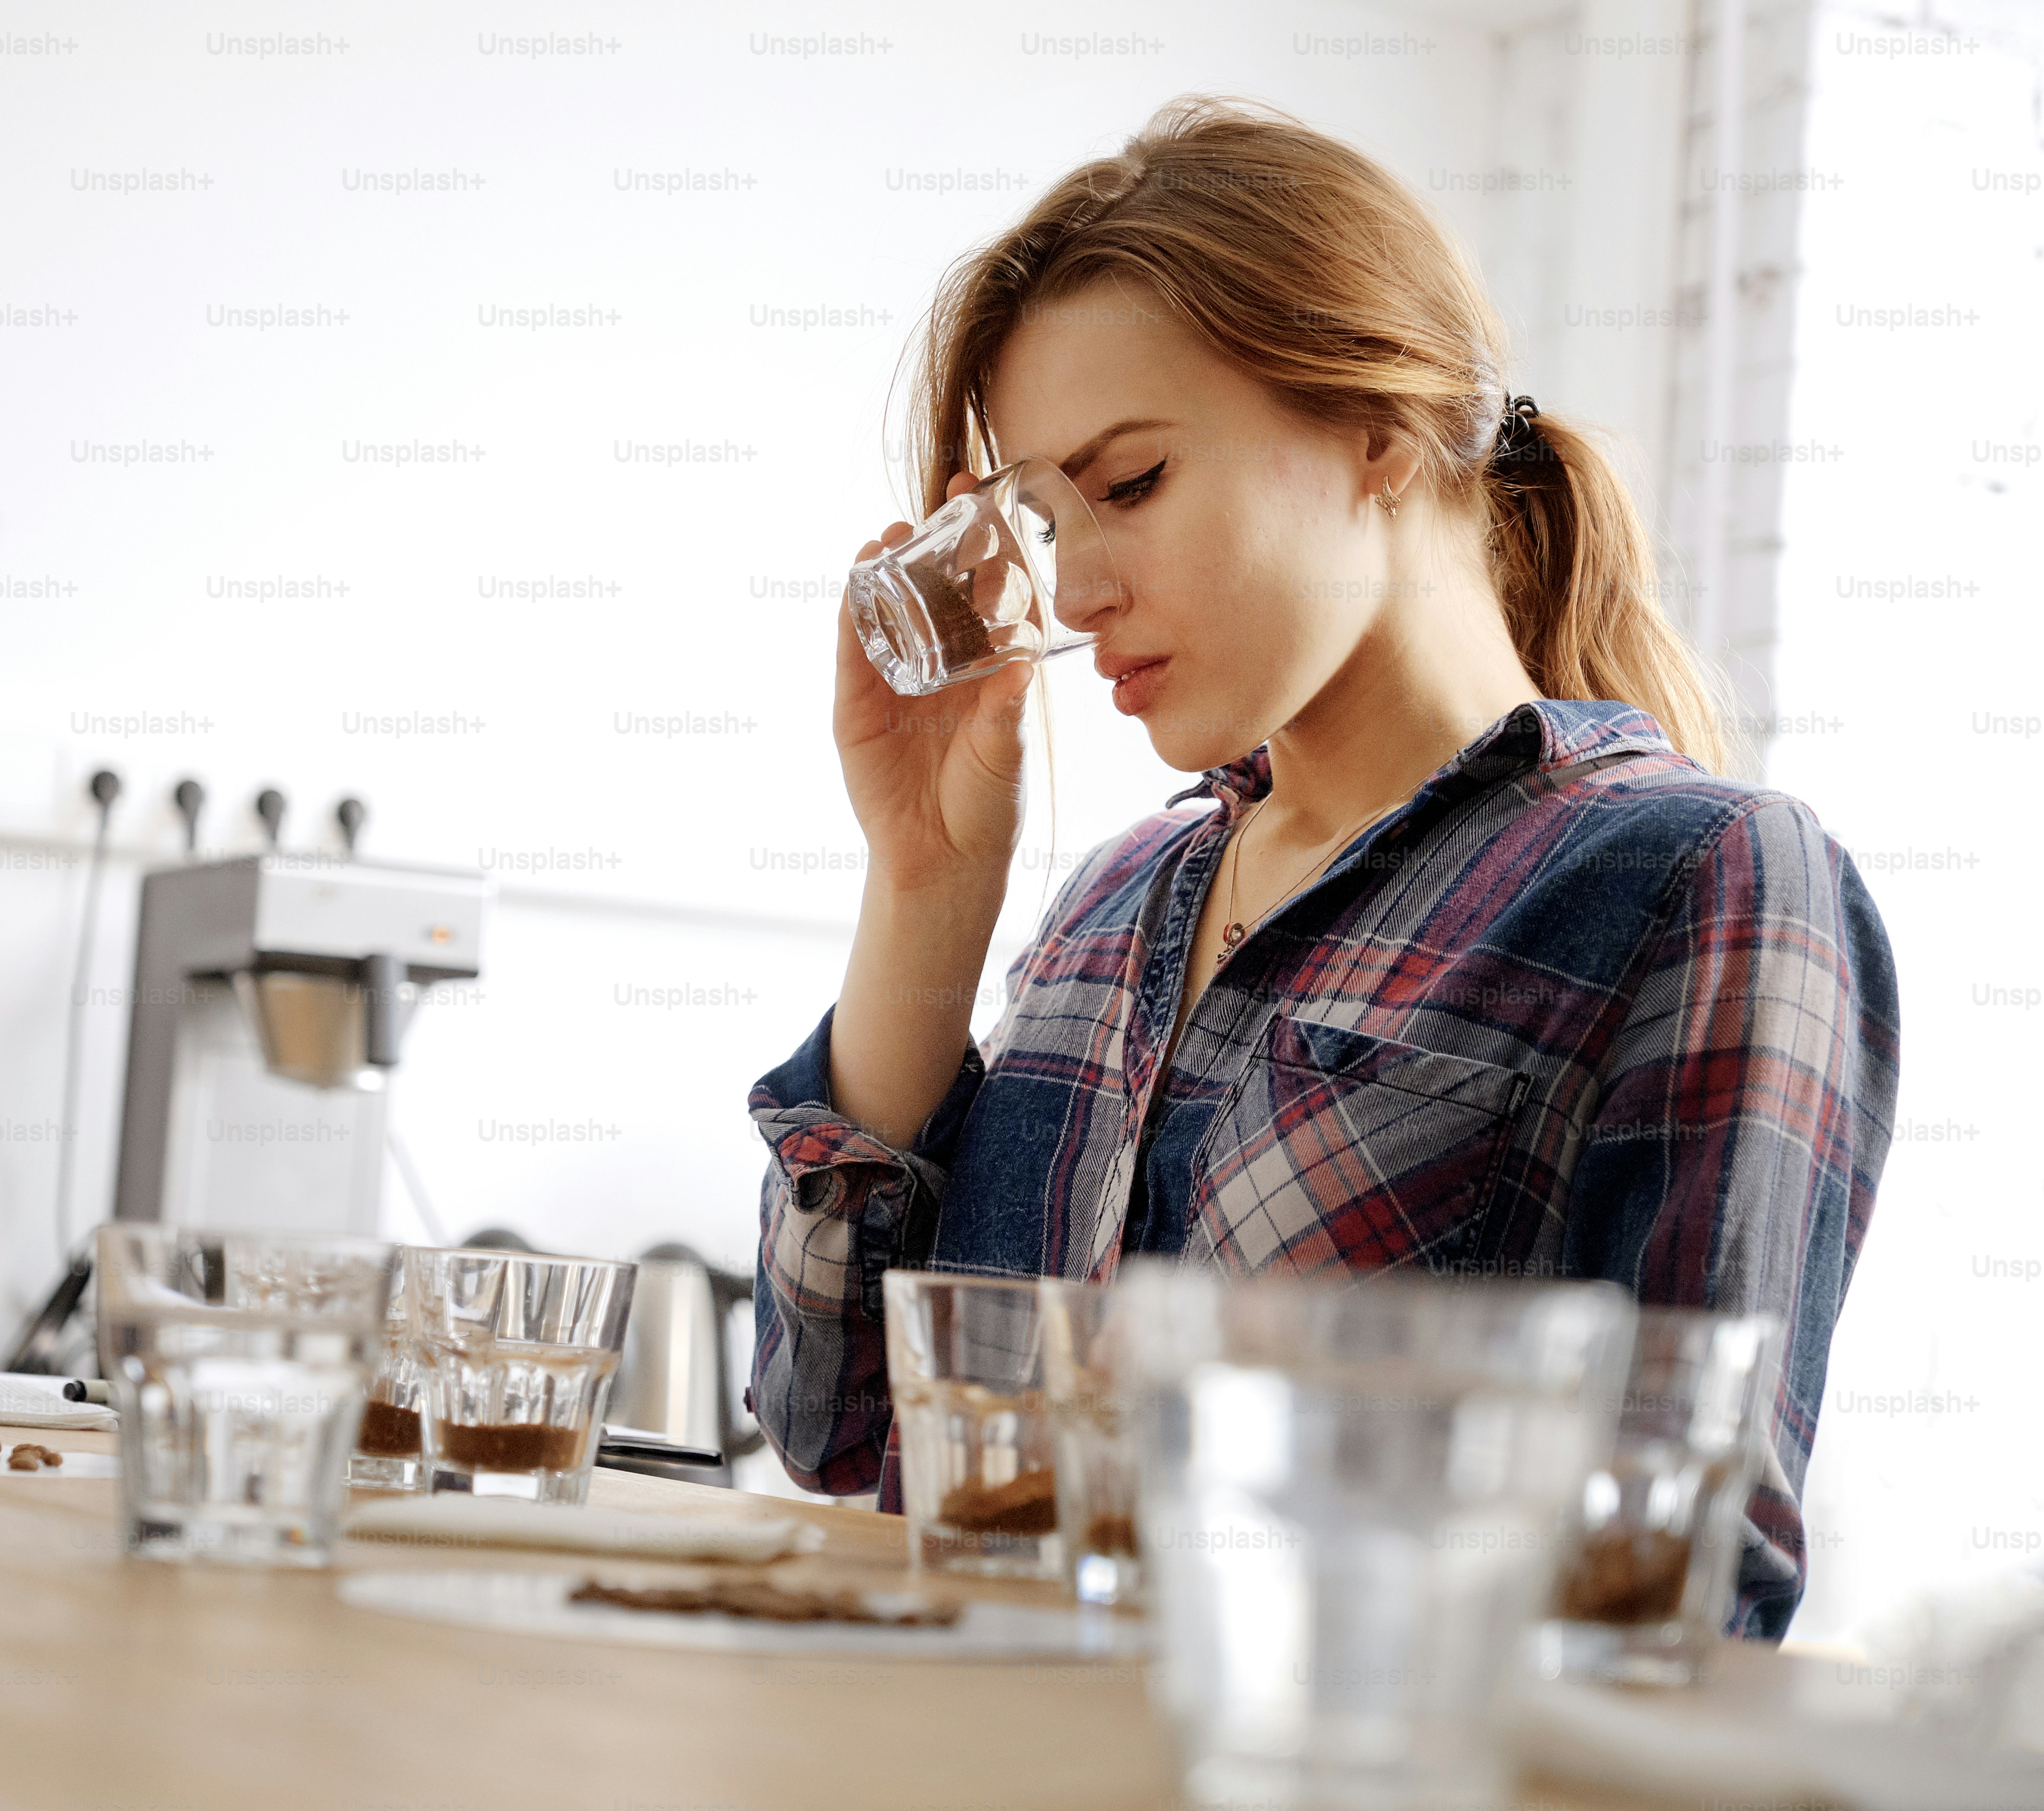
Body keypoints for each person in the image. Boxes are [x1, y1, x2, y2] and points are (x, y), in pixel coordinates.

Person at [746, 97, 1898, 1639]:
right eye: (1041, 518)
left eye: (1133, 482)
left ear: (1381, 428)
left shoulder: (1703, 880)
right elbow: (838, 1430)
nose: (1075, 588)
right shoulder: (1109, 905)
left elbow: (1672, 1607)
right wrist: (927, 885)